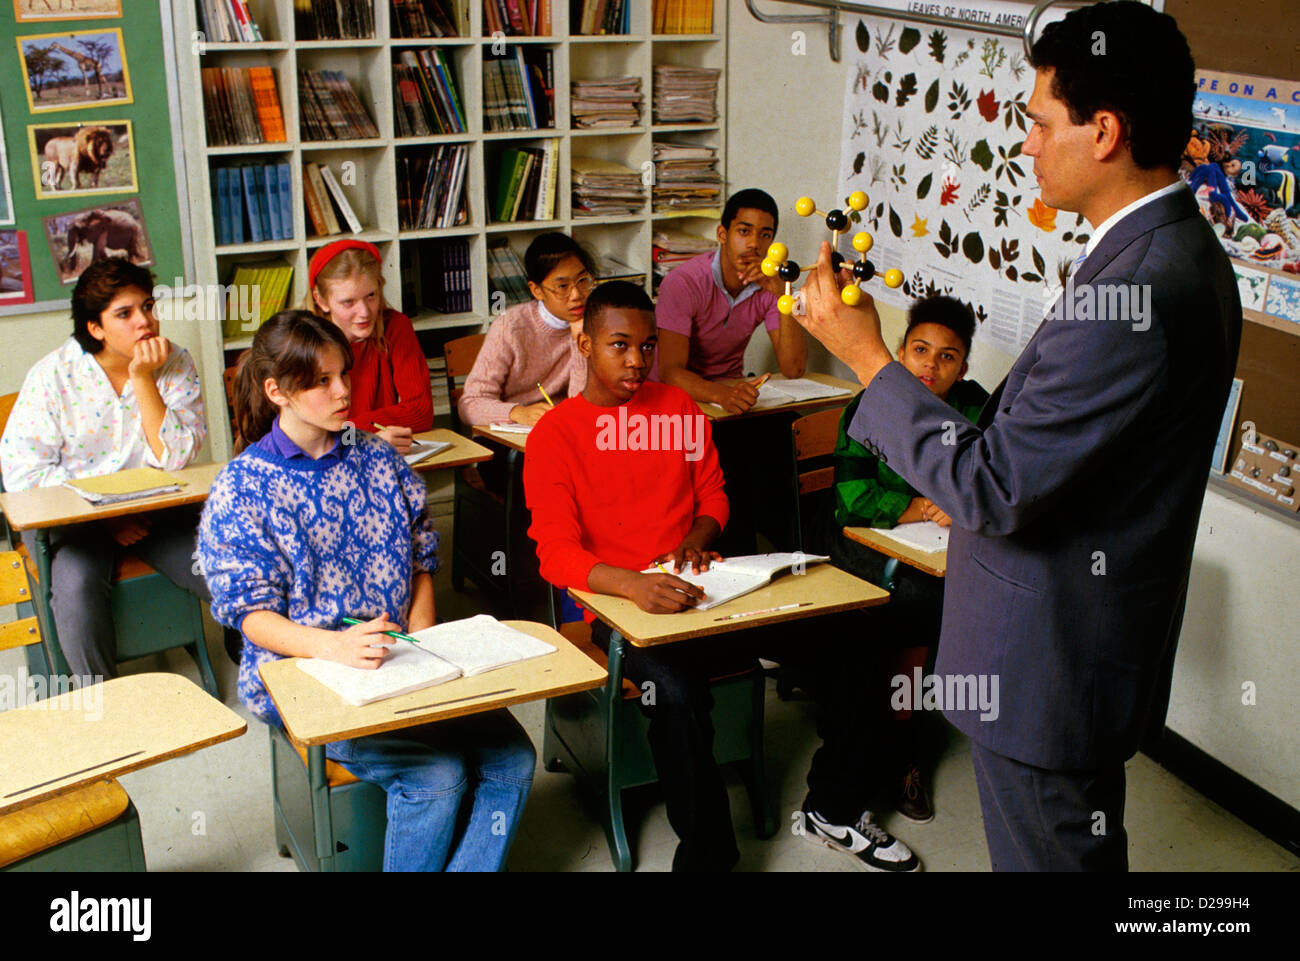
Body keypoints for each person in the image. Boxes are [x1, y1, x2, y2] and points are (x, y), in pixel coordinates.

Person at [796, 1, 1241, 871]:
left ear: (1104, 130)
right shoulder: (1173, 246)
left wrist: (867, 358)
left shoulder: (1140, 286)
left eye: (1040, 122)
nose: (1027, 144)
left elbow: (994, 486)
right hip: (1081, 645)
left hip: (1049, 665)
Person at [524, 281, 919, 872]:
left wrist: (697, 538)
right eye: (619, 345)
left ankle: (832, 809)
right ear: (583, 342)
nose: (637, 360)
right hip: (622, 609)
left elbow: (713, 496)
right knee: (677, 694)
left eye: (648, 346)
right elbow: (554, 554)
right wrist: (634, 584)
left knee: (861, 643)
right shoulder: (555, 435)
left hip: (711, 591)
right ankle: (709, 857)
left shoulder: (677, 409)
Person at [198, 311, 534, 872]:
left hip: (403, 658)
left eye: (343, 375)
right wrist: (334, 648)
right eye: (322, 381)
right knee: (437, 775)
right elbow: (249, 616)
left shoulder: (378, 458)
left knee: (514, 759)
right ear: (276, 391)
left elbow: (424, 554)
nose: (342, 391)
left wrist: (423, 628)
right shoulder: (243, 486)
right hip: (308, 672)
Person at [0, 258, 211, 679]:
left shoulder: (175, 363)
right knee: (76, 588)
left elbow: (176, 458)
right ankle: (103, 703)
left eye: (148, 306)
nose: (145, 322)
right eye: (125, 314)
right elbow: (24, 477)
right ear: (95, 328)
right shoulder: (51, 378)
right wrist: (106, 518)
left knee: (213, 563)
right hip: (73, 521)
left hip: (155, 512)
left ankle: (261, 647)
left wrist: (143, 378)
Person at [830, 296, 989, 824]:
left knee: (975, 595)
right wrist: (919, 505)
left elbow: (991, 481)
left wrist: (959, 501)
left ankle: (909, 736)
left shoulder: (974, 407)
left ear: (963, 367)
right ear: (898, 352)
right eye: (920, 350)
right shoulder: (868, 407)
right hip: (871, 547)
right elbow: (851, 502)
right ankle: (897, 749)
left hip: (943, 553)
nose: (930, 365)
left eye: (947, 357)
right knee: (918, 606)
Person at [654, 188, 807, 415]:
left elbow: (794, 369)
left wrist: (781, 293)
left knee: (790, 429)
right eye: (744, 231)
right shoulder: (683, 282)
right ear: (722, 234)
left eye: (765, 235)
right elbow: (670, 372)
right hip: (677, 396)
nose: (754, 244)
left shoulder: (773, 286)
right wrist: (721, 394)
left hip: (729, 392)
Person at [305, 239, 432, 454]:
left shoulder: (396, 327)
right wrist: (364, 437)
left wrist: (346, 431)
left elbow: (421, 412)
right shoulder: (303, 343)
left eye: (371, 296)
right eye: (348, 302)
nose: (365, 312)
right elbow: (307, 435)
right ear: (321, 300)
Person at [458, 233, 592, 428]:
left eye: (582, 281)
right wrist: (516, 412)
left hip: (566, 431)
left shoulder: (597, 322)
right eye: (562, 286)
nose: (577, 295)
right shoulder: (510, 327)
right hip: (513, 437)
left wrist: (579, 341)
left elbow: (584, 408)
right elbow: (470, 404)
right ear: (536, 290)